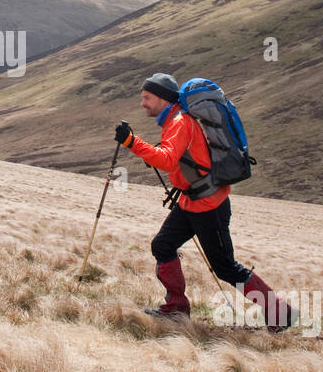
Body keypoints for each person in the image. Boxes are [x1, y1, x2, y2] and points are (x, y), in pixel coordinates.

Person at [114, 72, 297, 332]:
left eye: (147, 98)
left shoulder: (179, 122)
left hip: (209, 205)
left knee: (225, 268)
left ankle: (279, 312)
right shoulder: (173, 120)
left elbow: (166, 159)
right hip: (191, 202)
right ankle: (176, 308)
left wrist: (132, 142)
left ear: (164, 99)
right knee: (163, 245)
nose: (142, 103)